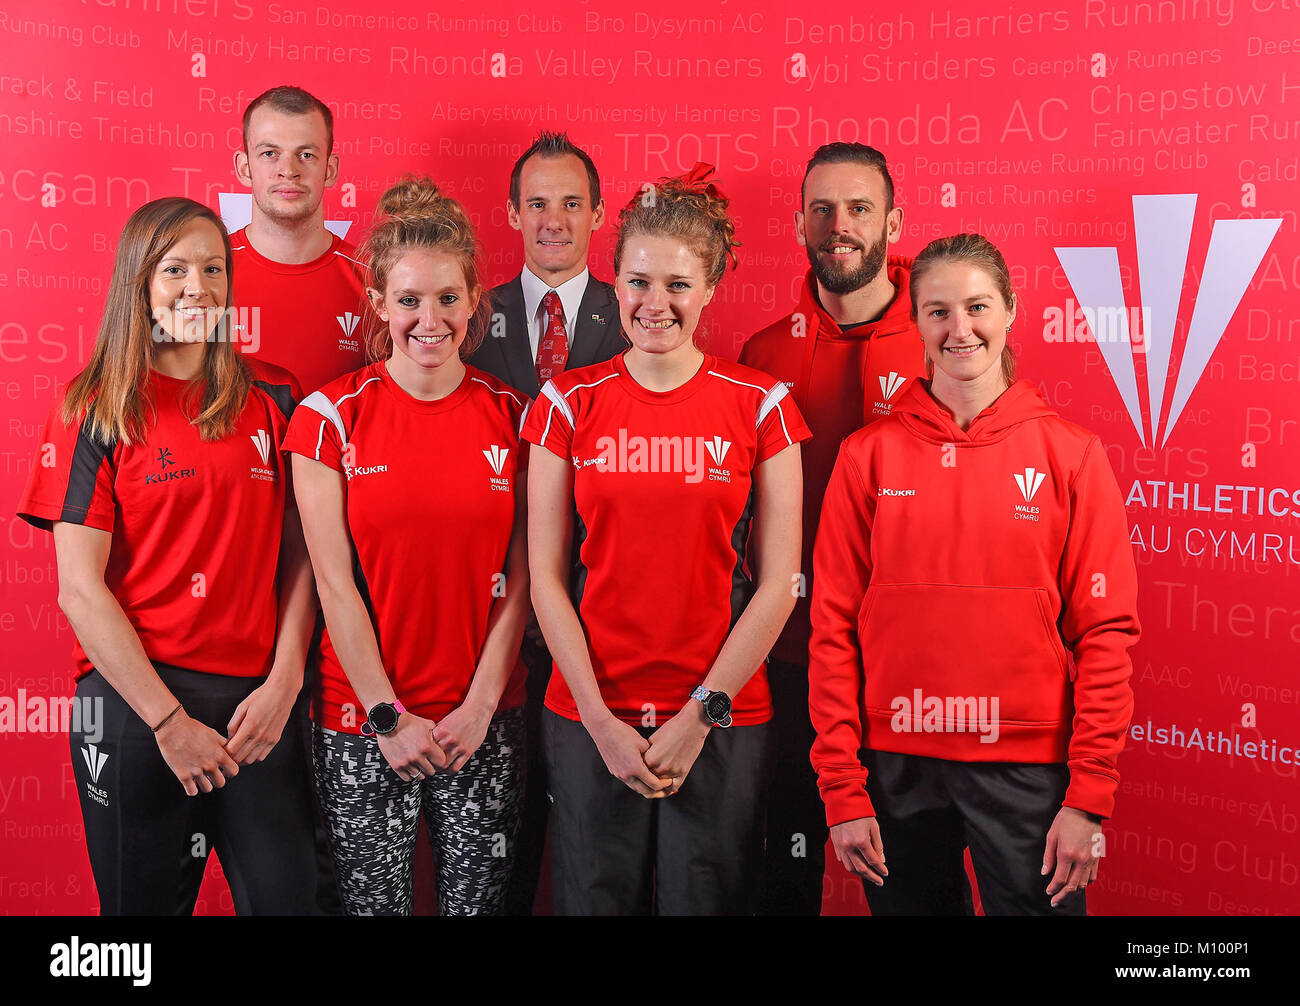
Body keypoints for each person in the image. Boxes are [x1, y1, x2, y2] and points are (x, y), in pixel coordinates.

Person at [808, 232, 1139, 916]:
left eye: (978, 306)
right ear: (917, 322)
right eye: (938, 311)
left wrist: (1089, 797)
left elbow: (1106, 635)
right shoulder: (866, 456)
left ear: (1011, 310)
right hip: (894, 765)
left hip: (1026, 768)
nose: (960, 329)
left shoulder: (1071, 455)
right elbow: (832, 627)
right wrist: (843, 787)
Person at [17, 197, 320, 915]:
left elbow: (305, 562)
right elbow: (80, 591)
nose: (198, 287)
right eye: (175, 269)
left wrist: (283, 683)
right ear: (139, 282)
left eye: (214, 268)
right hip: (133, 710)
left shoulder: (275, 394)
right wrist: (166, 723)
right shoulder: (93, 405)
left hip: (258, 711)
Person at [522, 164, 810, 915]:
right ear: (614, 281)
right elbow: (544, 578)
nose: (656, 304)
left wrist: (699, 716)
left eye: (679, 285)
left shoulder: (762, 404)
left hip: (721, 718)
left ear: (710, 288)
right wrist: (600, 722)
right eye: (640, 282)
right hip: (591, 714)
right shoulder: (566, 402)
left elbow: (781, 582)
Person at [285, 177, 531, 916]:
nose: (431, 319)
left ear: (473, 302)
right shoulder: (329, 418)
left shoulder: (514, 416)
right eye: (411, 300)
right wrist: (387, 714)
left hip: (484, 720)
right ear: (378, 304)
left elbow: (523, 583)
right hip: (364, 721)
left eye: (449, 299)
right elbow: (334, 584)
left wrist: (481, 705)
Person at [738, 141, 925, 915]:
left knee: (912, 882)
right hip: (790, 660)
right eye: (822, 209)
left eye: (858, 208)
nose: (839, 225)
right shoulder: (763, 353)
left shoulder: (949, 340)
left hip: (908, 672)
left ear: (893, 221)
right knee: (780, 872)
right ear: (798, 223)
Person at [468, 130, 625, 914]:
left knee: (599, 848)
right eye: (537, 203)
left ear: (599, 214)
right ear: (512, 212)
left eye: (571, 203)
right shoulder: (464, 320)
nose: (553, 220)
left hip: (604, 622)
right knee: (503, 843)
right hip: (486, 622)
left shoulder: (638, 313)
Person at [231, 85, 368, 396]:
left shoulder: (376, 281)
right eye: (269, 154)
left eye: (306, 155)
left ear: (330, 169)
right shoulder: (205, 275)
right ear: (244, 167)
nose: (288, 171)